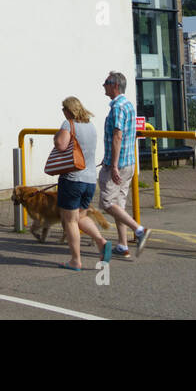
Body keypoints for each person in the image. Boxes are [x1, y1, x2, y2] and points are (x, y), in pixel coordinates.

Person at [98, 71, 150, 258]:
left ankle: (139, 230)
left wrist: (112, 165)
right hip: (128, 162)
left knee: (106, 202)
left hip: (118, 164)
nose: (103, 85)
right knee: (119, 203)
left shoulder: (118, 107)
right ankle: (123, 245)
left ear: (115, 85)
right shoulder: (128, 105)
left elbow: (117, 135)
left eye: (106, 82)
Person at [53, 96, 108, 270]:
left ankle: (75, 260)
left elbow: (61, 145)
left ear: (70, 110)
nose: (62, 111)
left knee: (69, 221)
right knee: (81, 216)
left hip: (72, 179)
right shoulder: (90, 126)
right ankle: (101, 240)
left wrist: (56, 137)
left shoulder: (68, 124)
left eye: (64, 109)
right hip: (90, 179)